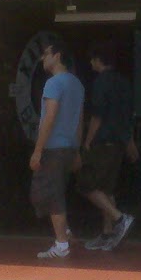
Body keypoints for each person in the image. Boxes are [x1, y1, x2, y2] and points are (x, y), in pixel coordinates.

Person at [30, 40, 84, 259]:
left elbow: (49, 117)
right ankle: (66, 232)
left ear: (58, 55)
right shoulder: (77, 84)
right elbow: (80, 119)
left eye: (46, 53)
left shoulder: (53, 83)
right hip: (69, 147)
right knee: (54, 191)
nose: (43, 58)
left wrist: (38, 149)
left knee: (49, 194)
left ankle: (61, 244)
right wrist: (77, 149)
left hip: (53, 148)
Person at [80, 41, 136, 251]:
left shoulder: (101, 82)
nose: (90, 63)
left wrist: (87, 140)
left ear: (97, 60)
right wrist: (130, 141)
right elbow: (127, 115)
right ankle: (107, 233)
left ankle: (120, 219)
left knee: (87, 185)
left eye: (92, 59)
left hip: (103, 142)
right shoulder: (123, 82)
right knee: (106, 188)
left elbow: (97, 116)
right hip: (119, 143)